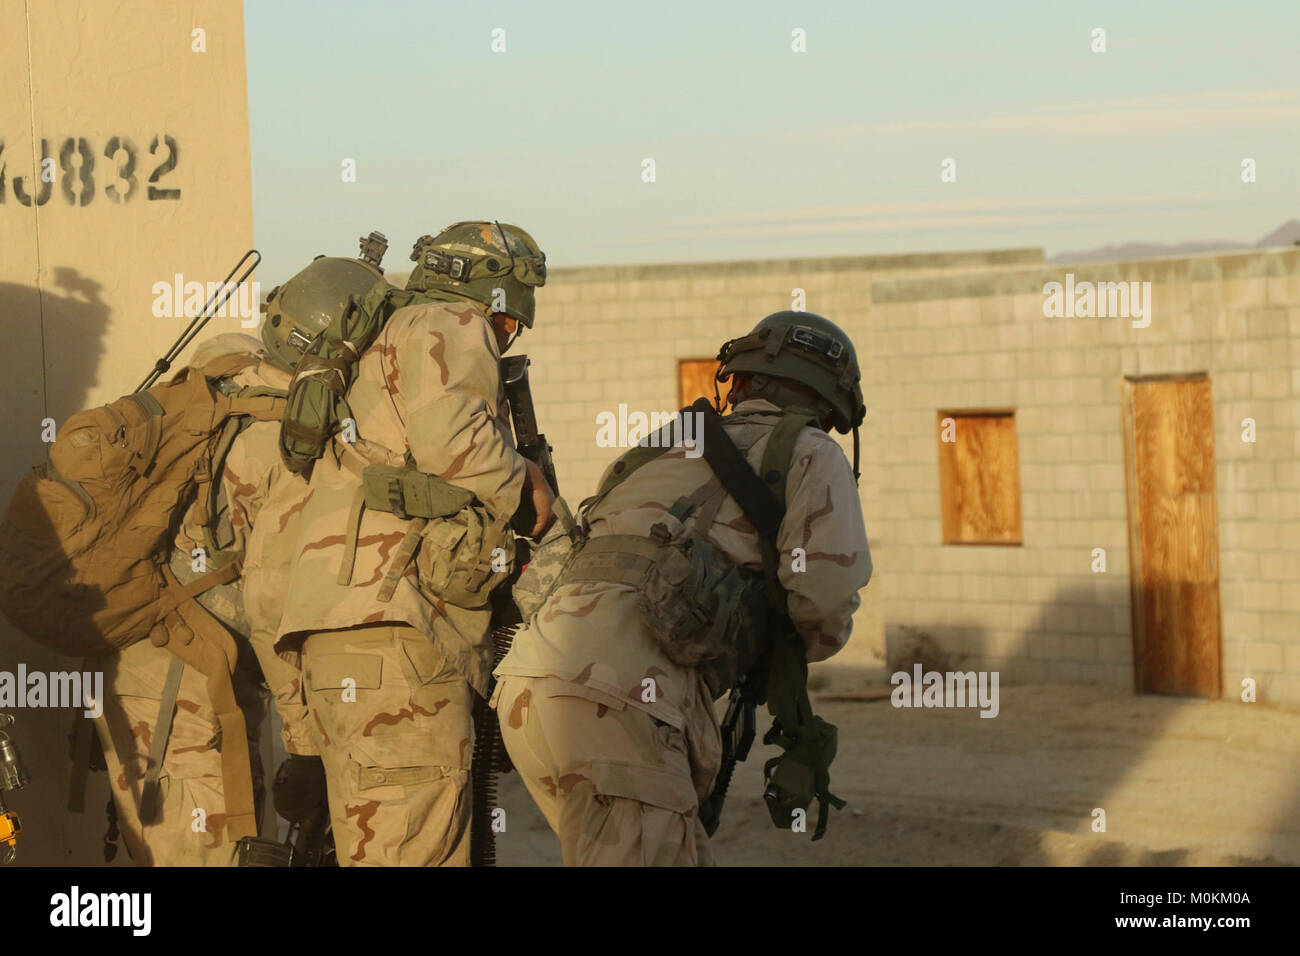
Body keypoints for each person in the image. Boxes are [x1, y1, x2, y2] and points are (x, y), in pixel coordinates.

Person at [493, 310, 872, 866]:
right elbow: (826, 600)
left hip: (531, 688)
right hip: (624, 705)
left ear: (738, 380)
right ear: (827, 404)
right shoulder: (813, 454)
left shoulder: (663, 444)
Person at [266, 222, 553, 866]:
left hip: (341, 645)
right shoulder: (449, 322)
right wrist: (531, 493)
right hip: (401, 643)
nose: (505, 337)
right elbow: (458, 445)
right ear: (499, 301)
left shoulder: (365, 360)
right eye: (510, 324)